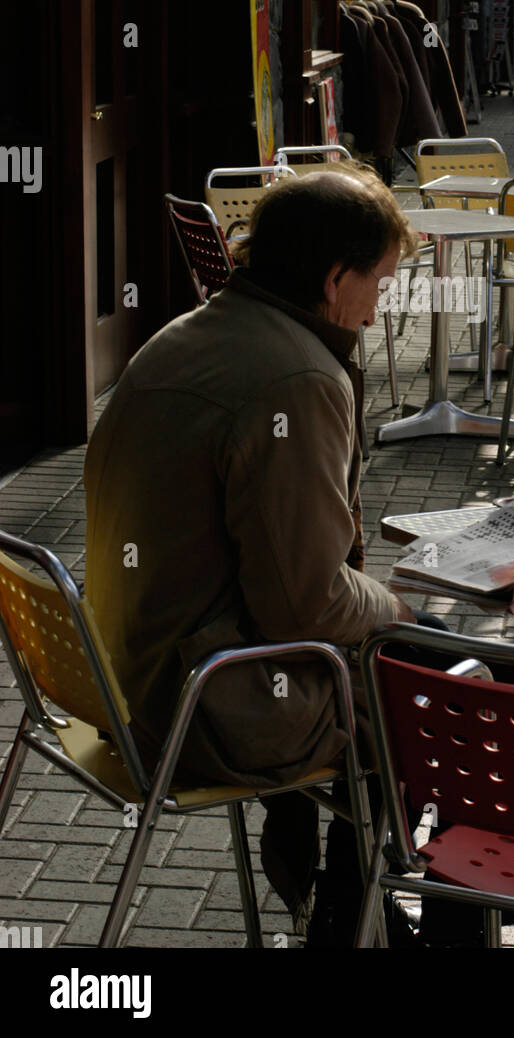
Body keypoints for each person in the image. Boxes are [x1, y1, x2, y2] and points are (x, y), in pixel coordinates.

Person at [84, 167, 421, 940]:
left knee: (418, 667)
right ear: (335, 279)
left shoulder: (197, 327)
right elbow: (306, 603)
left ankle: (342, 884)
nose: (381, 304)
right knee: (468, 691)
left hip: (126, 669)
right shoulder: (297, 375)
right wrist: (396, 607)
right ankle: (368, 910)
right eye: (381, 281)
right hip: (205, 700)